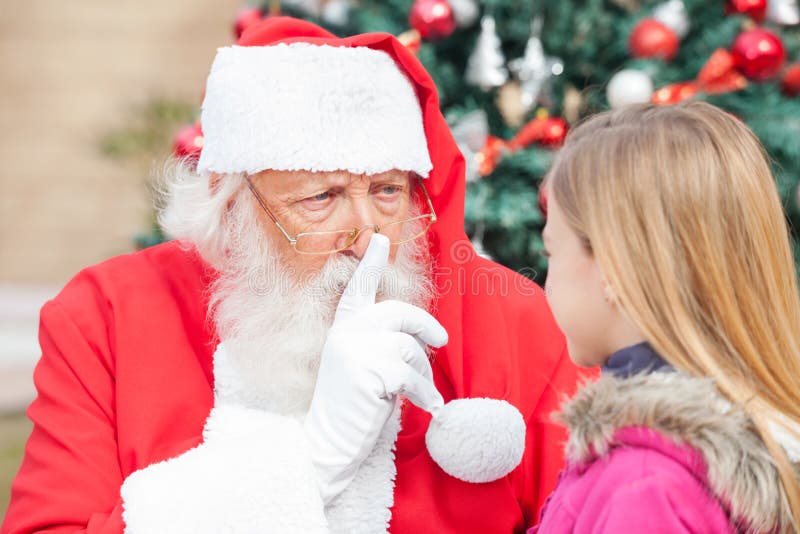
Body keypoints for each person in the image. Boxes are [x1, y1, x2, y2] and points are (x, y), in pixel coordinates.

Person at [2, 17, 584, 533]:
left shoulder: (511, 319)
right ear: (231, 205)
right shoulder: (107, 313)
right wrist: (313, 460)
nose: (369, 236)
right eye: (321, 198)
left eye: (388, 191)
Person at [533, 101, 800, 533]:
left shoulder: (642, 486)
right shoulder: (755, 437)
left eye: (551, 251)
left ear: (612, 268)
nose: (547, 276)